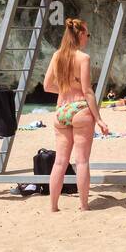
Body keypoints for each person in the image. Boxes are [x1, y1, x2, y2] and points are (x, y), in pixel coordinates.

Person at [41, 18, 109, 212]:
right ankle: (83, 205)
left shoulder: (56, 56)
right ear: (79, 34)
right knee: (82, 161)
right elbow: (88, 91)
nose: (87, 38)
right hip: (80, 108)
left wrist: (63, 90)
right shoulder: (83, 58)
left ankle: (54, 207)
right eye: (87, 34)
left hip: (62, 109)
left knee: (60, 161)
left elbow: (47, 86)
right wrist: (99, 119)